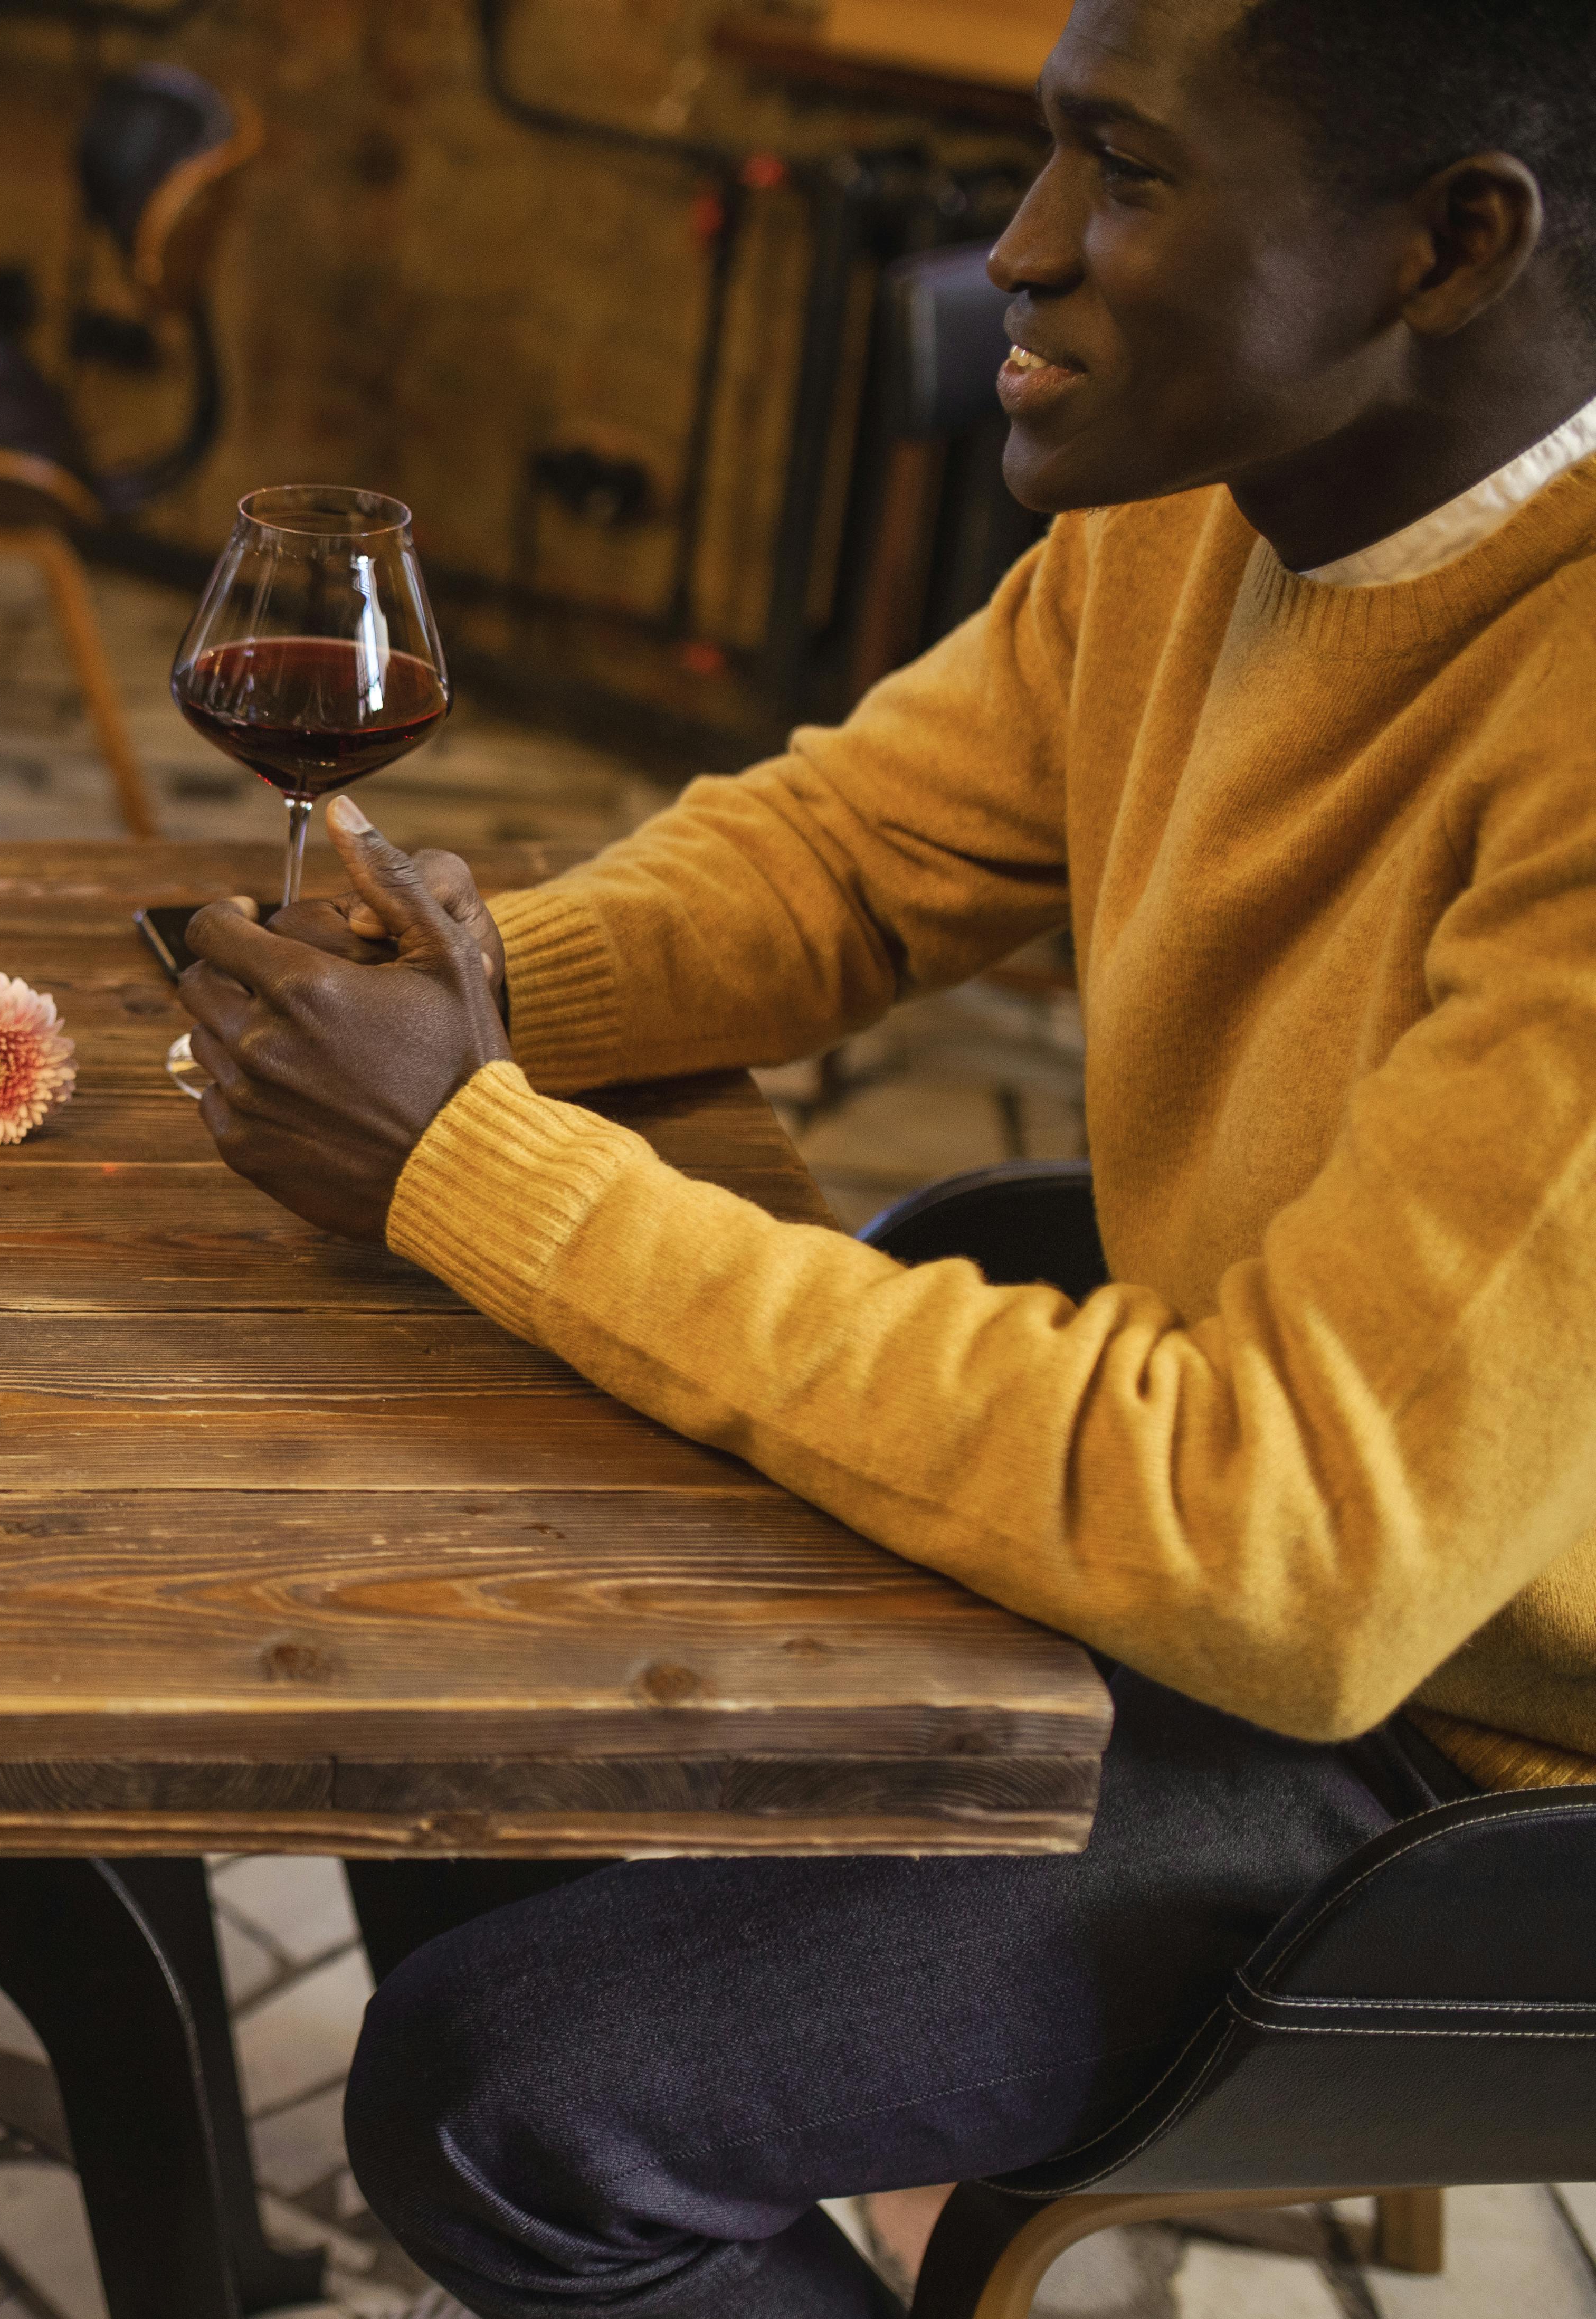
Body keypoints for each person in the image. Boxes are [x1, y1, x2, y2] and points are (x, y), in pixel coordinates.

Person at [168, 0, 1596, 2311]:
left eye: (1122, 176)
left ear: (1445, 248)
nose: (1017, 254)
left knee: (506, 2088)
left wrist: (466, 1157)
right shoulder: (1225, 508)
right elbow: (840, 860)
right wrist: (438, 997)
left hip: (1487, 1781)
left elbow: (1296, 1551)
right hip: (1265, 1585)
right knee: (427, 1680)